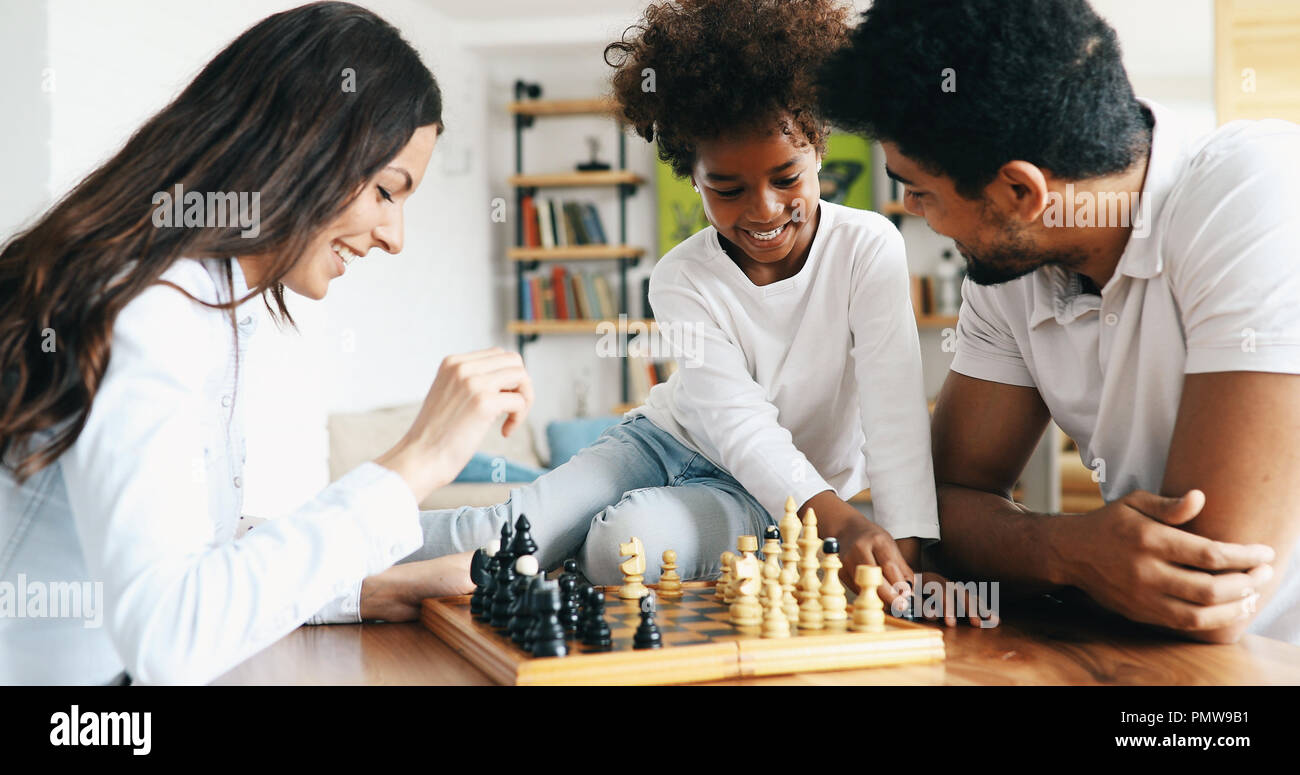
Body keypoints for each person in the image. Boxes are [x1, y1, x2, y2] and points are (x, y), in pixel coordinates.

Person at [0, 2, 532, 685]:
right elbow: (170, 636)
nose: (394, 236)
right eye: (385, 191)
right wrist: (419, 458)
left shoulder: (206, 300)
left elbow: (197, 552)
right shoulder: (148, 307)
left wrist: (370, 589)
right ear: (306, 147)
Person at [404, 0, 944, 614]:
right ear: (693, 177)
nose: (764, 209)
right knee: (500, 531)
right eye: (728, 189)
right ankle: (302, 545)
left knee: (622, 545)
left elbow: (894, 414)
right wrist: (842, 527)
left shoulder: (869, 247)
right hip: (662, 441)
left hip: (772, 496)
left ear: (818, 148)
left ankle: (538, 577)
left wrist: (906, 560)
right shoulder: (681, 275)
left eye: (787, 177)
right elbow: (737, 423)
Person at [817, 0, 1300, 643]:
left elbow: (1206, 591)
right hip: (1143, 658)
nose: (911, 210)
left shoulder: (1257, 194)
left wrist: (1033, 552)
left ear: (1021, 193)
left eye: (920, 189)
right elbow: (935, 515)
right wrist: (1071, 550)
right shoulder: (1011, 264)